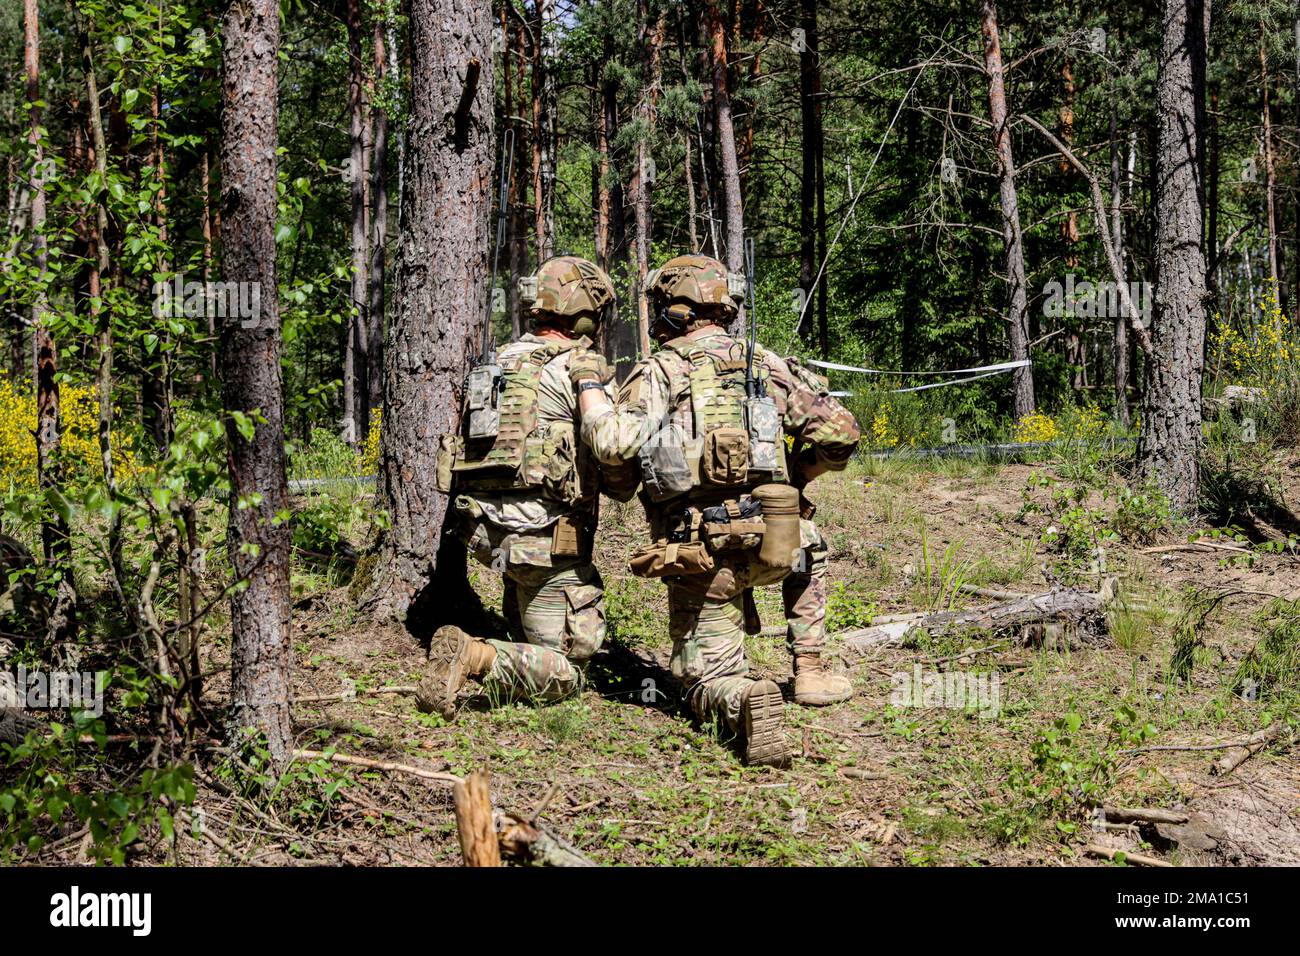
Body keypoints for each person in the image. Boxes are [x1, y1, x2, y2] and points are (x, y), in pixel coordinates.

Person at [576, 254, 861, 766]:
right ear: (723, 307)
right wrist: (797, 477)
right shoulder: (764, 363)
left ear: (671, 309)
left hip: (704, 554)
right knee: (808, 540)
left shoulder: (661, 369)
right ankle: (811, 670)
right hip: (782, 544)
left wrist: (595, 398)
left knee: (699, 680)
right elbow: (841, 433)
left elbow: (615, 448)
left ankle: (739, 698)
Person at [416, 256, 619, 719]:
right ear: (584, 313)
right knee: (570, 666)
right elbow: (612, 454)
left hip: (484, 537)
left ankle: (515, 634)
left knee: (532, 625)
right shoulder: (579, 369)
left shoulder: (496, 363)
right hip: (546, 545)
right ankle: (475, 655)